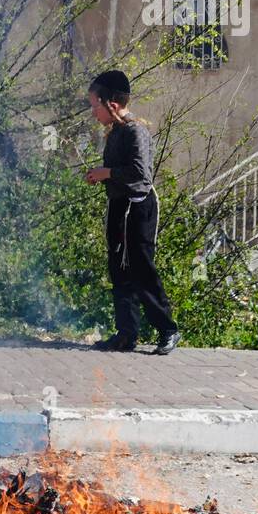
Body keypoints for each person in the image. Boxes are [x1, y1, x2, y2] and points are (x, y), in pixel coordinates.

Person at [84, 71, 180, 355]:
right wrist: (101, 176)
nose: (93, 112)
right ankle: (126, 334)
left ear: (111, 103)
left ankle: (168, 329)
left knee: (141, 269)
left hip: (138, 208)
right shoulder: (115, 132)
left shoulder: (135, 130)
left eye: (95, 106)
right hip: (119, 206)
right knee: (119, 270)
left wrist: (107, 172)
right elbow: (117, 174)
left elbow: (141, 174)